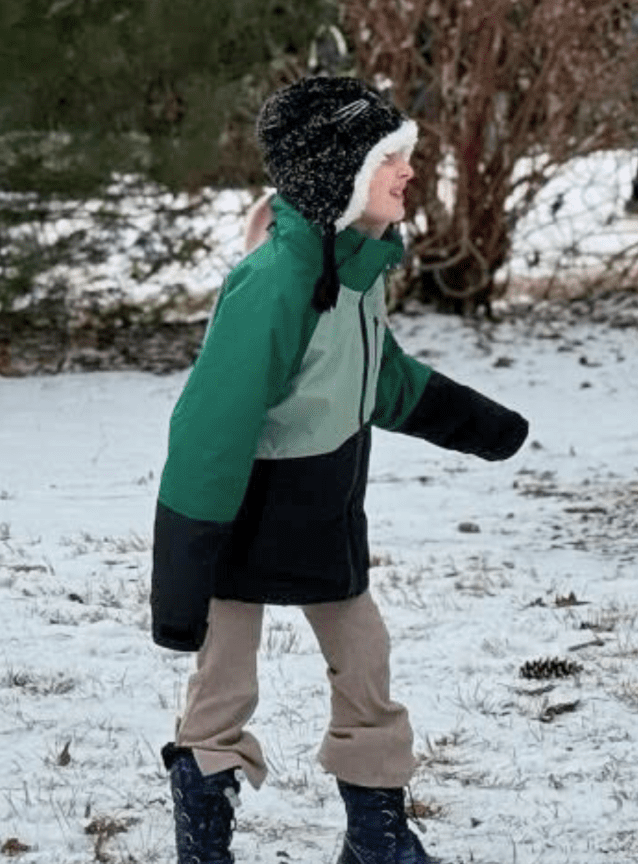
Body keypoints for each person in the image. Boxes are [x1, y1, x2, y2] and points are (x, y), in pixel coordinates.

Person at [149, 77, 530, 864]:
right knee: (224, 686)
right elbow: (209, 430)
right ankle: (205, 839)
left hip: (323, 507)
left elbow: (378, 377)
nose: (409, 173)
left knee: (365, 661)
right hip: (240, 513)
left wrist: (481, 426)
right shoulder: (276, 282)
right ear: (341, 175)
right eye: (392, 158)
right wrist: (183, 571)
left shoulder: (355, 270)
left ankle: (374, 837)